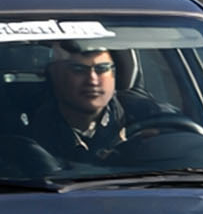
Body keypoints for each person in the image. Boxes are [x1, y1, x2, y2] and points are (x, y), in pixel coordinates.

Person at [11, 42, 167, 161]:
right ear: (54, 75)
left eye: (102, 68)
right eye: (78, 70)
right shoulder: (25, 130)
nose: (93, 80)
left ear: (116, 74)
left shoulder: (148, 118)